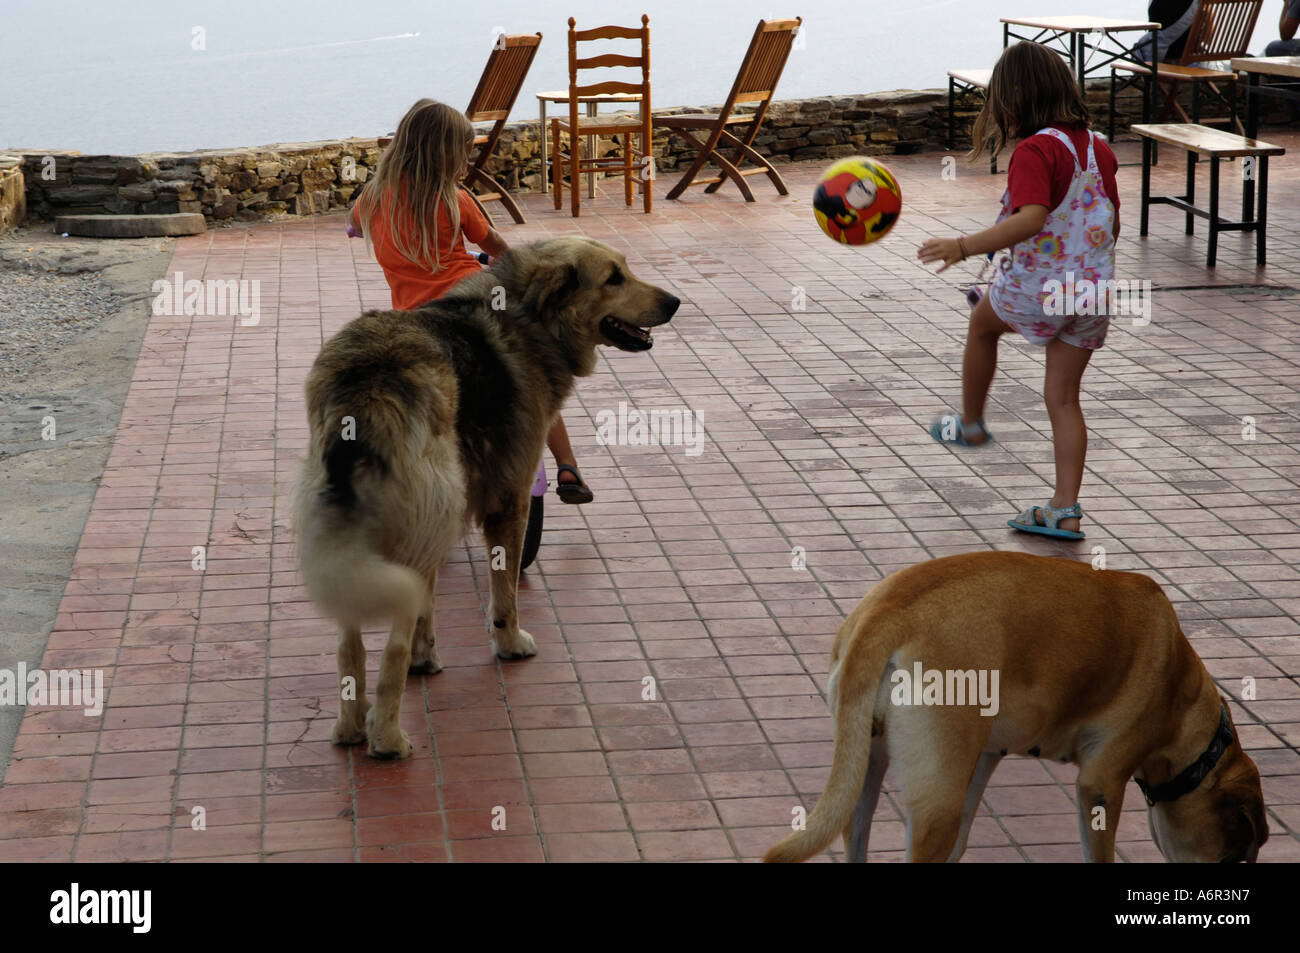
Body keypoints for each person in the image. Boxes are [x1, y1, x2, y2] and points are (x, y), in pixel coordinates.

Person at [917, 42, 1120, 540]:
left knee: (983, 325)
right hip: (1092, 294)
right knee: (1064, 399)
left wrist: (963, 246)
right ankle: (1064, 509)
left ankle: (970, 422)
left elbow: (1030, 218)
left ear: (1011, 102)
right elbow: (1110, 222)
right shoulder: (1099, 146)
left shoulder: (1035, 149)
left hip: (1039, 290)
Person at [351, 98, 595, 504]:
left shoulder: (372, 200)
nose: (466, 159)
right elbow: (498, 248)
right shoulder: (454, 198)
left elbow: (353, 225)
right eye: (464, 151)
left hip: (422, 325)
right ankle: (567, 464)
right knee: (535, 383)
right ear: (447, 154)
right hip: (479, 303)